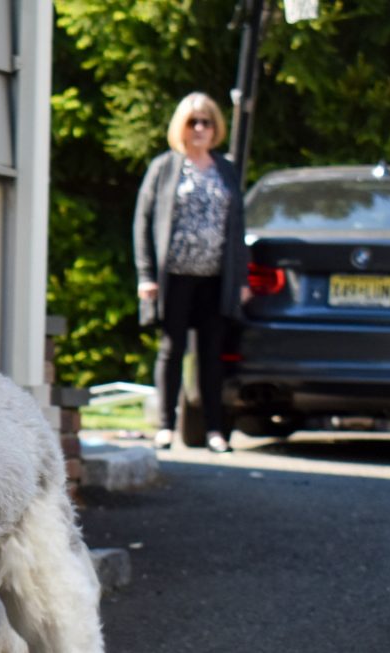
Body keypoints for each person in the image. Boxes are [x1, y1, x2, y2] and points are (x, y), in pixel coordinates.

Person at [134, 92, 251, 454]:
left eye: (207, 122)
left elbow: (238, 226)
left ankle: (215, 430)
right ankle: (165, 426)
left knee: (212, 354)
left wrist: (242, 279)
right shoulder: (165, 167)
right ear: (181, 127)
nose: (200, 128)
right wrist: (146, 275)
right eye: (193, 122)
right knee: (172, 350)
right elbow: (143, 221)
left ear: (216, 128)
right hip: (175, 277)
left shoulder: (225, 169)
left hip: (216, 279)